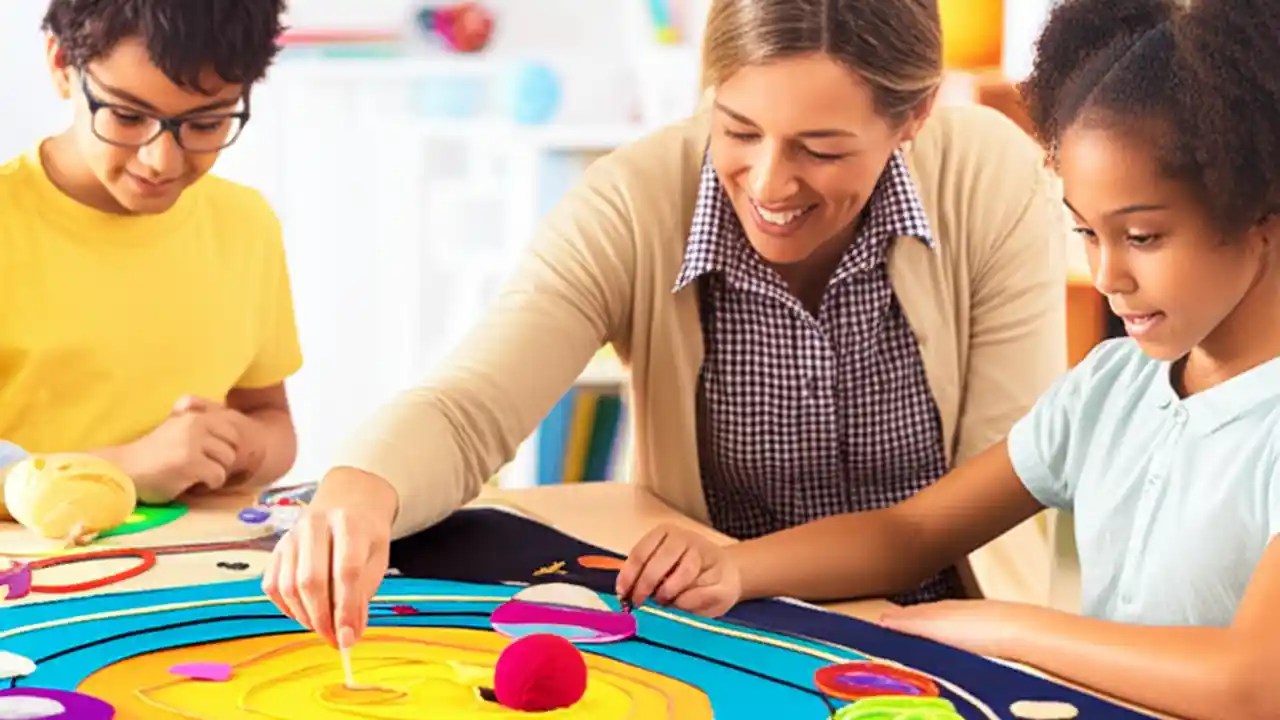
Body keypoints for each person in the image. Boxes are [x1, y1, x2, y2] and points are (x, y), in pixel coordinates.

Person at [262, 0, 1068, 652]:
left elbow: (994, 491)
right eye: (739, 130)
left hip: (957, 636)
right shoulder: (634, 201)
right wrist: (363, 488)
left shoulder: (990, 176)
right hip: (731, 635)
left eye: (821, 149)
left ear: (914, 116)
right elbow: (472, 405)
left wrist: (744, 565)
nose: (770, 182)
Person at [616, 0, 1280, 716]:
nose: (1108, 274)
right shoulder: (1112, 388)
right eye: (1087, 233)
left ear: (1261, 219)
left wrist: (1002, 628)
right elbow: (913, 532)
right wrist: (732, 567)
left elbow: (1251, 684)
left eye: (1143, 237)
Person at [0, 0, 303, 512]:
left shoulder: (245, 224)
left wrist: (239, 446)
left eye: (206, 125)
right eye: (125, 115)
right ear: (61, 67)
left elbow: (271, 421)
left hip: (195, 566)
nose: (160, 161)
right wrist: (120, 469)